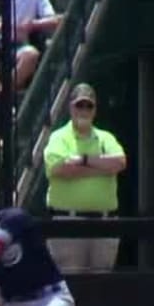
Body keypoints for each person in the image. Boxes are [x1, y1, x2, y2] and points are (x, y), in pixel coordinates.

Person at [40, 83, 126, 273]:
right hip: (68, 222)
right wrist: (102, 169)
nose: (84, 110)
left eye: (89, 106)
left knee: (102, 286)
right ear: (71, 107)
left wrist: (83, 160)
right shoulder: (59, 137)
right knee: (71, 285)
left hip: (105, 223)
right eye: (80, 105)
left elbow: (119, 162)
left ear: (95, 110)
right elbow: (61, 169)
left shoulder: (106, 138)